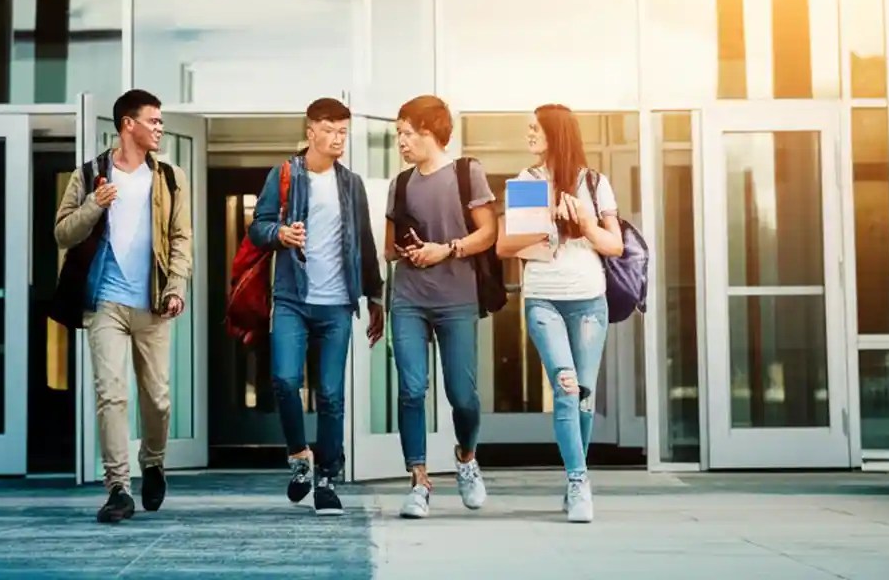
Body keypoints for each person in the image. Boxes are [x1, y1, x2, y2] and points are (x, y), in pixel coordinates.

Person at [54, 89, 193, 524]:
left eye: (161, 122)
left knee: (158, 399)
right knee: (110, 395)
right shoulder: (89, 174)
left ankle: (153, 461)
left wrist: (176, 287)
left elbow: (182, 238)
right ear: (127, 124)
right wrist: (95, 204)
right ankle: (117, 487)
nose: (159, 128)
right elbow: (62, 233)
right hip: (106, 302)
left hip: (153, 303)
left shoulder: (171, 177)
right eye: (153, 120)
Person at [248, 97, 385, 516]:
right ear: (311, 132)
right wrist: (279, 234)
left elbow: (364, 241)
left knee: (330, 394)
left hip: (337, 303)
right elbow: (257, 227)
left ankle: (327, 478)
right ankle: (299, 457)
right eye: (330, 130)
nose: (338, 138)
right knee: (285, 381)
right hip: (292, 297)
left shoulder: (352, 183)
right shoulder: (285, 174)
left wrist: (375, 296)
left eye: (343, 131)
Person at [496, 104, 623, 523]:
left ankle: (577, 479)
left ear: (556, 133)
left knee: (584, 396)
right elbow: (506, 248)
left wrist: (585, 224)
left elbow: (615, 246)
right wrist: (546, 223)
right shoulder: (528, 182)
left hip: (589, 301)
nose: (529, 134)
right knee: (567, 389)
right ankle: (577, 481)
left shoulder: (594, 182)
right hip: (544, 299)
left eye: (536, 128)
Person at [385, 95, 498, 519]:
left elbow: (488, 232)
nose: (401, 142)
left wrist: (445, 249)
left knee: (462, 396)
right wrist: (407, 250)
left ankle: (466, 457)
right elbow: (388, 250)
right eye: (398, 134)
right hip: (410, 299)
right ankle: (419, 481)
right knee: (412, 390)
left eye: (406, 133)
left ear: (430, 132)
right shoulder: (400, 184)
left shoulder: (467, 173)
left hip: (457, 300)